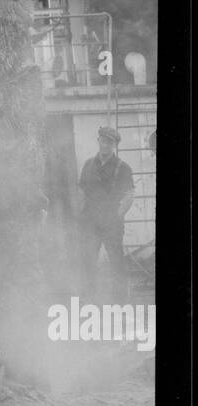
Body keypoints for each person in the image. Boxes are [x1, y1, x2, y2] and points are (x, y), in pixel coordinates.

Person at [77, 127, 135, 301]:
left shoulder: (123, 167)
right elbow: (81, 190)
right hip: (90, 222)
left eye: (110, 142)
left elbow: (129, 195)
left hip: (112, 224)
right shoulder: (88, 164)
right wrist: (81, 212)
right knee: (88, 261)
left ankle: (120, 301)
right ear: (99, 142)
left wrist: (117, 215)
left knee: (117, 263)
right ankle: (88, 300)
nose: (106, 145)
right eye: (103, 141)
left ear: (115, 145)